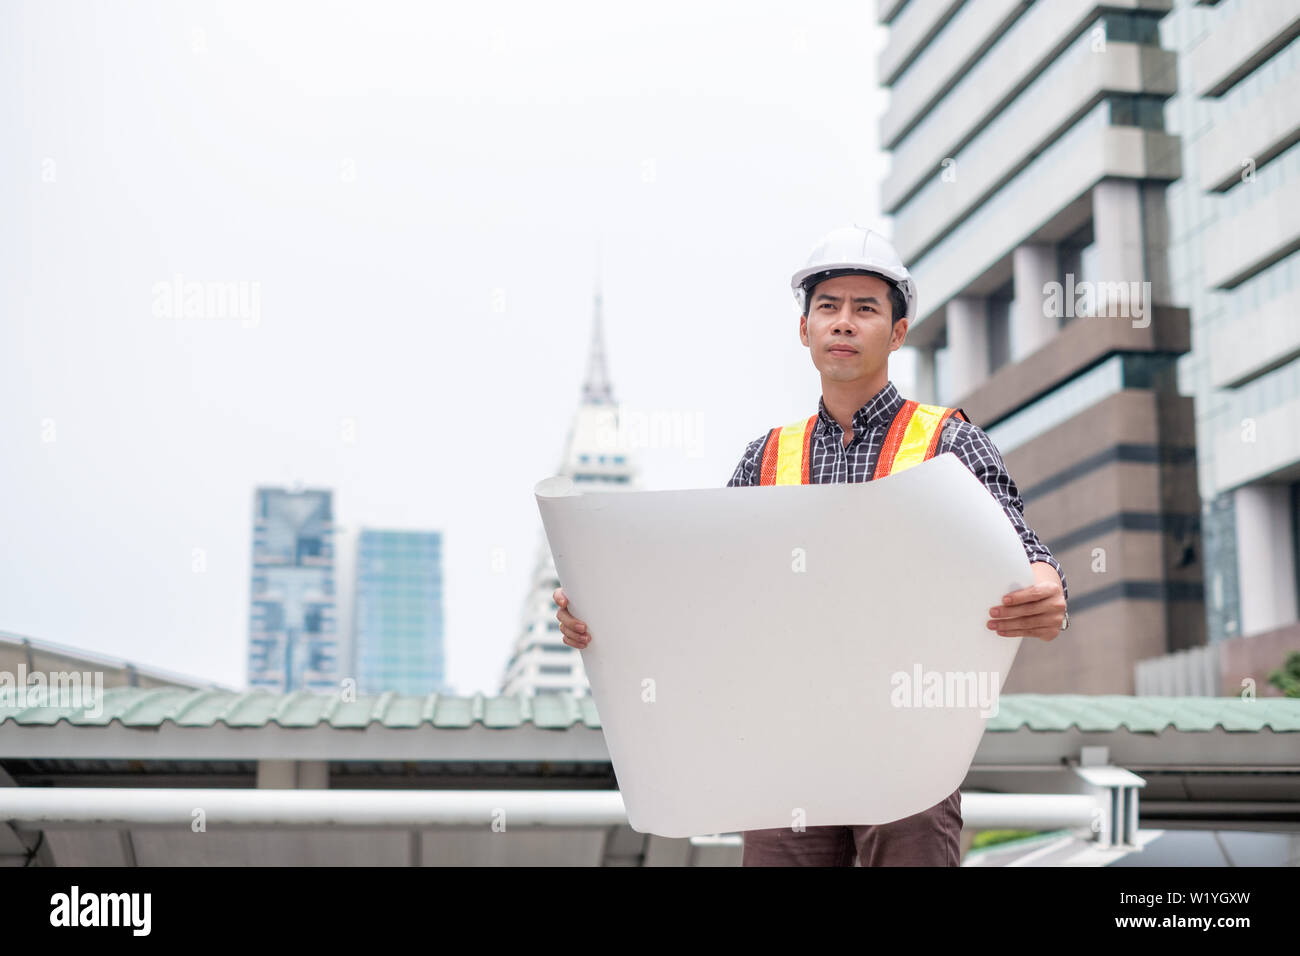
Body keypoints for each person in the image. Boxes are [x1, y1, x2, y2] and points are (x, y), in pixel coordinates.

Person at [552, 224, 1068, 866]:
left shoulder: (948, 442)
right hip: (784, 747)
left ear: (898, 333)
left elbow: (1020, 550)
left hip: (907, 744)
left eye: (866, 308)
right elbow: (704, 580)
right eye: (828, 307)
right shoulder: (768, 457)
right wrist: (600, 605)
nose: (843, 323)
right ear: (805, 330)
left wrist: (1046, 587)